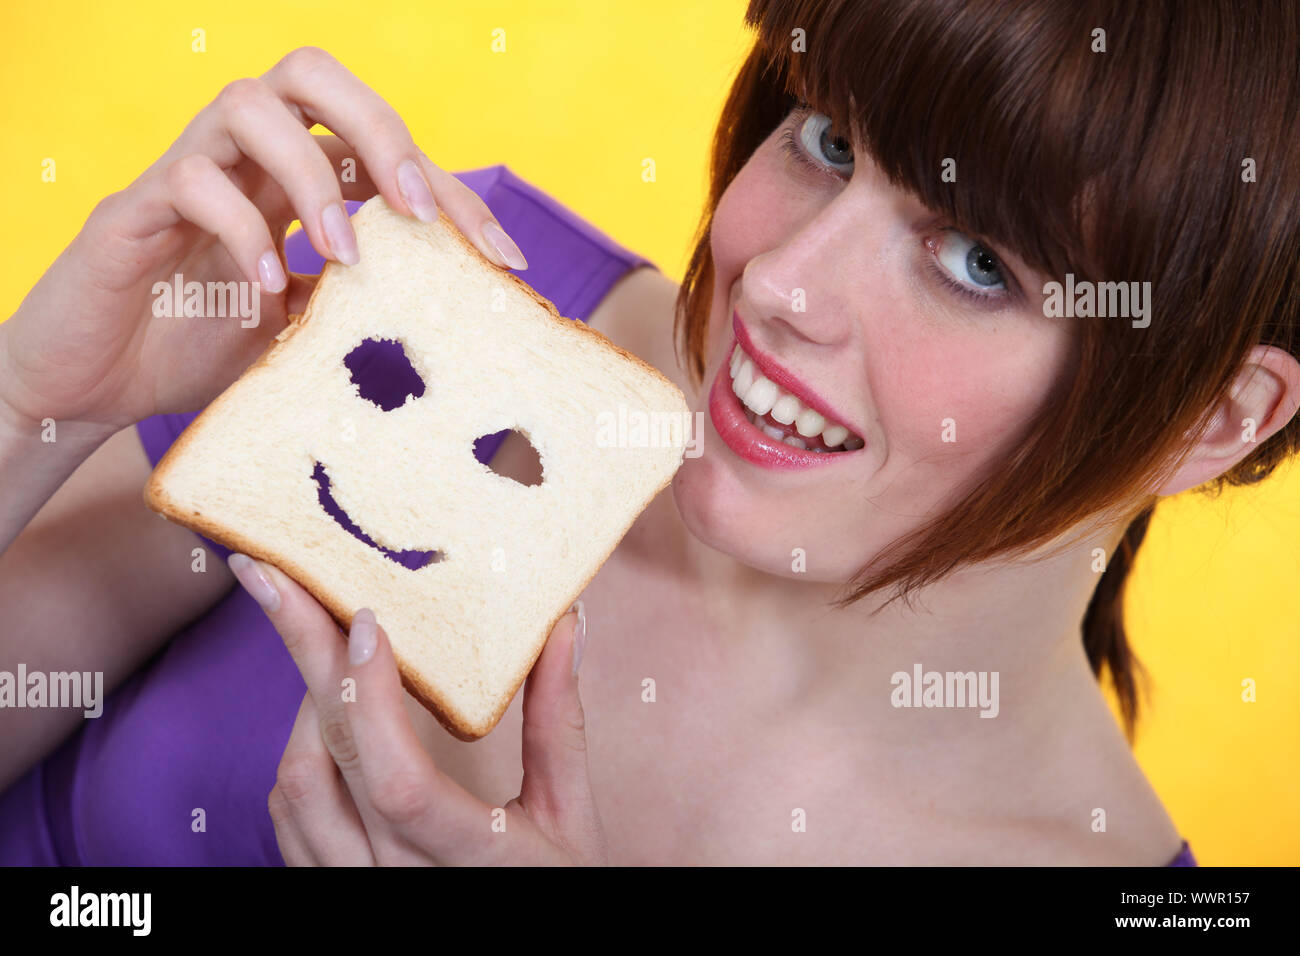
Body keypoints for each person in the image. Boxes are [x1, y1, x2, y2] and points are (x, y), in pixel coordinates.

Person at [2, 0, 1296, 865]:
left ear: (1212, 417)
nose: (781, 281)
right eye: (833, 140)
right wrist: (30, 411)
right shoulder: (464, 307)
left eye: (975, 261)